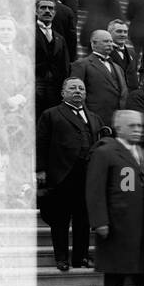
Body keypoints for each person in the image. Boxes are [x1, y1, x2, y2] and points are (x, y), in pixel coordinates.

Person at [85, 109, 144, 286]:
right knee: (115, 278)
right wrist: (100, 222)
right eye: (132, 126)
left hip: (143, 227)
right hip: (117, 227)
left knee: (138, 278)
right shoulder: (105, 152)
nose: (138, 130)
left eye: (140, 126)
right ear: (119, 128)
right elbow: (94, 190)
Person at [36, 78, 104, 271]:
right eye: (72, 88)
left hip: (87, 176)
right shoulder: (51, 115)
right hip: (61, 174)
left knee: (83, 220)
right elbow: (40, 143)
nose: (77, 91)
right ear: (63, 92)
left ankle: (80, 257)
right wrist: (40, 169)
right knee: (60, 220)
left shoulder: (94, 117)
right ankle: (61, 257)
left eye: (81, 88)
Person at [70, 29, 128, 124]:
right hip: (94, 119)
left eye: (111, 41)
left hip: (117, 120)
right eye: (105, 41)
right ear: (94, 43)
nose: (110, 44)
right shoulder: (82, 64)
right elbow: (76, 94)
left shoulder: (118, 68)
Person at [35, 0, 70, 119]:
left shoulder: (60, 38)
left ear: (54, 13)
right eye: (43, 7)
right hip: (34, 88)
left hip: (54, 90)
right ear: (36, 11)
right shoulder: (27, 33)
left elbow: (65, 66)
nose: (47, 11)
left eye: (50, 8)